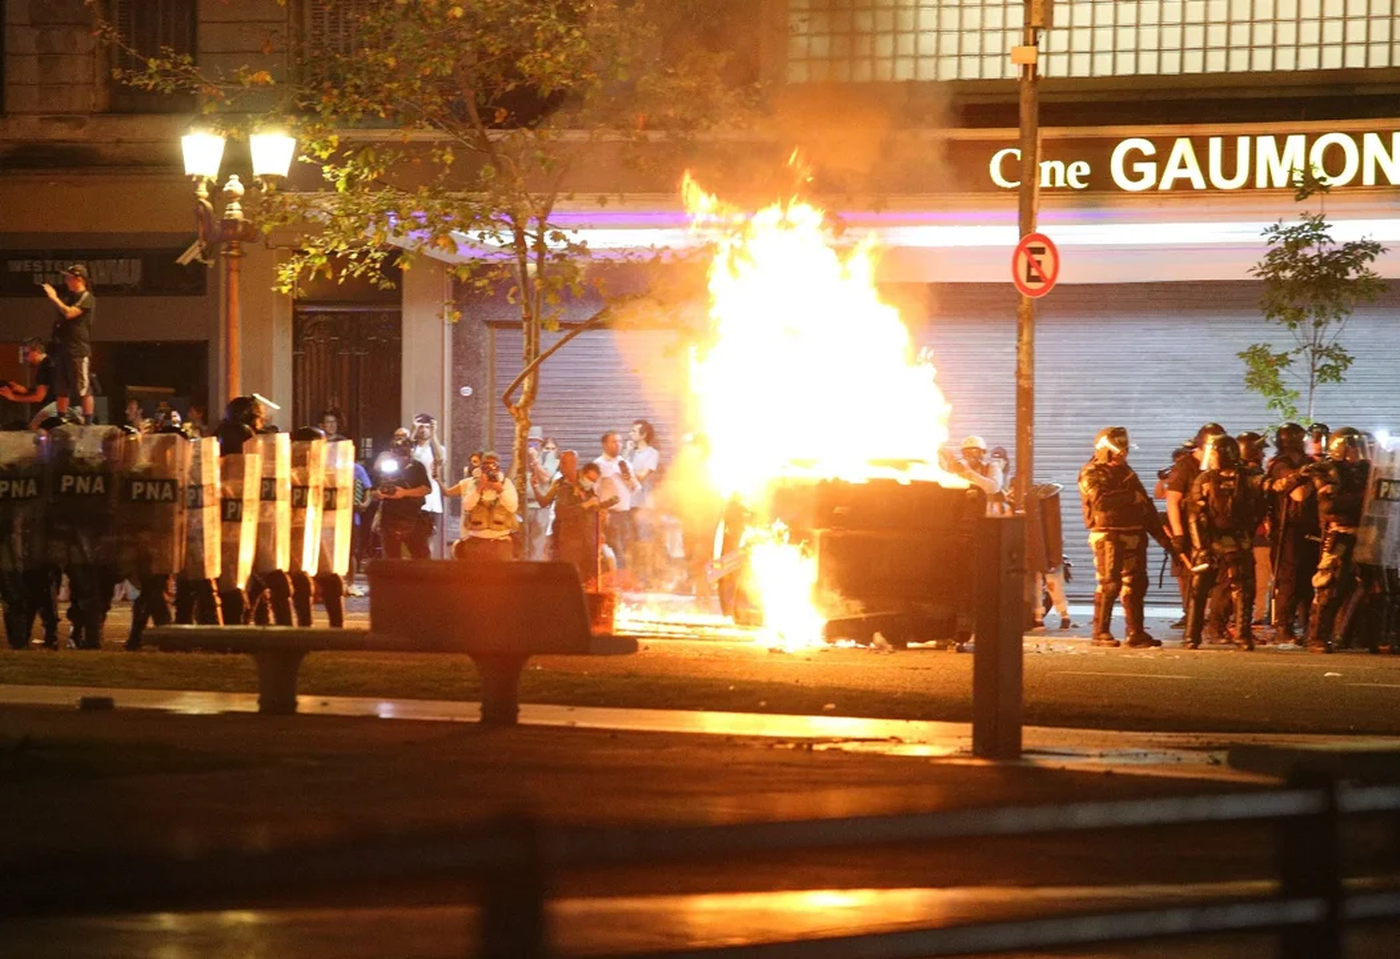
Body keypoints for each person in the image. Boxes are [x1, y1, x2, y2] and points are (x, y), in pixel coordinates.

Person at [1077, 426, 1175, 648]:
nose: (1123, 455)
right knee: (1110, 583)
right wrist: (1131, 496)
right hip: (1108, 535)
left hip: (1134, 533)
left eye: (1124, 451)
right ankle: (1100, 632)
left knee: (1136, 583)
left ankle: (1136, 633)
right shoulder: (1091, 472)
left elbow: (1146, 505)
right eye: (1118, 451)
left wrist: (1164, 539)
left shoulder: (1127, 472)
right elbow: (1100, 502)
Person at [1183, 434, 1267, 651]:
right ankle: (1191, 636)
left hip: (1239, 538)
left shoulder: (1248, 477)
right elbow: (1194, 514)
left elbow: (1264, 496)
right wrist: (1200, 547)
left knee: (1244, 586)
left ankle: (1243, 635)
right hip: (1211, 539)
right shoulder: (1204, 479)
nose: (1210, 459)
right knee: (1199, 588)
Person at [1306, 430, 1370, 653]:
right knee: (1330, 586)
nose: (1357, 452)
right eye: (1352, 447)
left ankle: (1357, 636)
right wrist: (1365, 497)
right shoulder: (1327, 470)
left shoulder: (1367, 469)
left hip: (1369, 533)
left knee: (1373, 587)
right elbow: (1329, 506)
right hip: (1341, 533)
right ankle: (1318, 638)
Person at [1264, 423, 1320, 644]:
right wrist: (1309, 478)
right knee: (1288, 579)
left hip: (1308, 528)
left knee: (1308, 578)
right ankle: (1283, 628)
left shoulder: (1307, 463)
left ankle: (1307, 628)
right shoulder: (1281, 465)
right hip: (1287, 529)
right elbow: (1299, 494)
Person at [534, 451, 610, 582]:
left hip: (588, 538)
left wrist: (601, 527)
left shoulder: (587, 479)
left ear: (574, 463)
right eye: (561, 462)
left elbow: (598, 506)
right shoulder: (559, 484)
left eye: (564, 463)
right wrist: (534, 487)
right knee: (569, 577)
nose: (561, 466)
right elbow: (548, 505)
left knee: (590, 578)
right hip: (569, 539)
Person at [40, 264, 96, 424]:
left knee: (83, 386)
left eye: (68, 277)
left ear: (79, 279)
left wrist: (54, 297)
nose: (66, 281)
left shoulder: (87, 297)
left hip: (77, 349)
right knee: (61, 386)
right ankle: (61, 418)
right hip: (62, 349)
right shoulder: (70, 297)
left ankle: (88, 421)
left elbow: (70, 313)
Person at [374, 428, 433, 559]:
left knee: (420, 556)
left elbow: (426, 489)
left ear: (409, 453)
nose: (400, 459)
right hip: (389, 517)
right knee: (391, 558)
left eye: (403, 455)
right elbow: (374, 489)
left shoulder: (416, 467)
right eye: (396, 455)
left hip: (412, 517)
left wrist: (405, 493)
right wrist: (380, 493)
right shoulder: (386, 465)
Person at [450, 450, 519, 561]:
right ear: (481, 468)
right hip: (476, 542)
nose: (489, 469)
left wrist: (499, 489)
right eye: (485, 466)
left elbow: (513, 507)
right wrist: (480, 488)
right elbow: (467, 506)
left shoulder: (506, 484)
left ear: (499, 467)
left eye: (493, 466)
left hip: (500, 542)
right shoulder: (473, 484)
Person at [1237, 431, 1272, 628]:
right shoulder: (1252, 476)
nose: (1263, 455)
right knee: (1261, 579)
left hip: (1247, 535)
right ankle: (1258, 614)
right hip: (1258, 534)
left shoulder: (1237, 474)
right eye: (1259, 450)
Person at [594, 431, 639, 572]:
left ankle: (624, 580)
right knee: (615, 548)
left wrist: (627, 476)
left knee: (626, 549)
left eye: (619, 441)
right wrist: (601, 511)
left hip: (625, 513)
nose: (618, 445)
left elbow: (636, 488)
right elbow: (594, 490)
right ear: (604, 444)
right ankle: (615, 582)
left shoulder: (625, 464)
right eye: (613, 442)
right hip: (609, 514)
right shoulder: (599, 464)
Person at [626, 419, 663, 584]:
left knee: (645, 541)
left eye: (634, 431)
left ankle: (646, 577)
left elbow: (642, 476)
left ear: (644, 434)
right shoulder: (628, 453)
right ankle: (631, 577)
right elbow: (618, 471)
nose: (630, 434)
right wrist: (626, 454)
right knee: (630, 542)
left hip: (644, 504)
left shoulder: (652, 453)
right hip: (627, 503)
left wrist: (628, 472)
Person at [411, 413, 446, 556]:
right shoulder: (412, 448)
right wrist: (412, 429)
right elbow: (405, 456)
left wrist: (434, 434)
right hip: (413, 498)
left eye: (427, 427)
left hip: (432, 500)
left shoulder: (436, 448)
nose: (423, 430)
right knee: (412, 536)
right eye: (421, 427)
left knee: (429, 536)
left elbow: (440, 459)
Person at [0, 338, 54, 429]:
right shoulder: (50, 362)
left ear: (36, 351)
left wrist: (13, 397)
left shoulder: (44, 367)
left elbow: (39, 397)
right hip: (61, 405)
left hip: (55, 406)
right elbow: (47, 392)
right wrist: (25, 390)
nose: (26, 359)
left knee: (34, 427)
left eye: (26, 354)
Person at [524, 425, 559, 561]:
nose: (532, 446)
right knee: (522, 544)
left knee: (537, 545)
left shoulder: (547, 457)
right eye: (529, 442)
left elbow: (545, 478)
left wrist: (535, 461)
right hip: (524, 507)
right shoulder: (521, 457)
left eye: (535, 442)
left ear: (540, 443)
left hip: (540, 507)